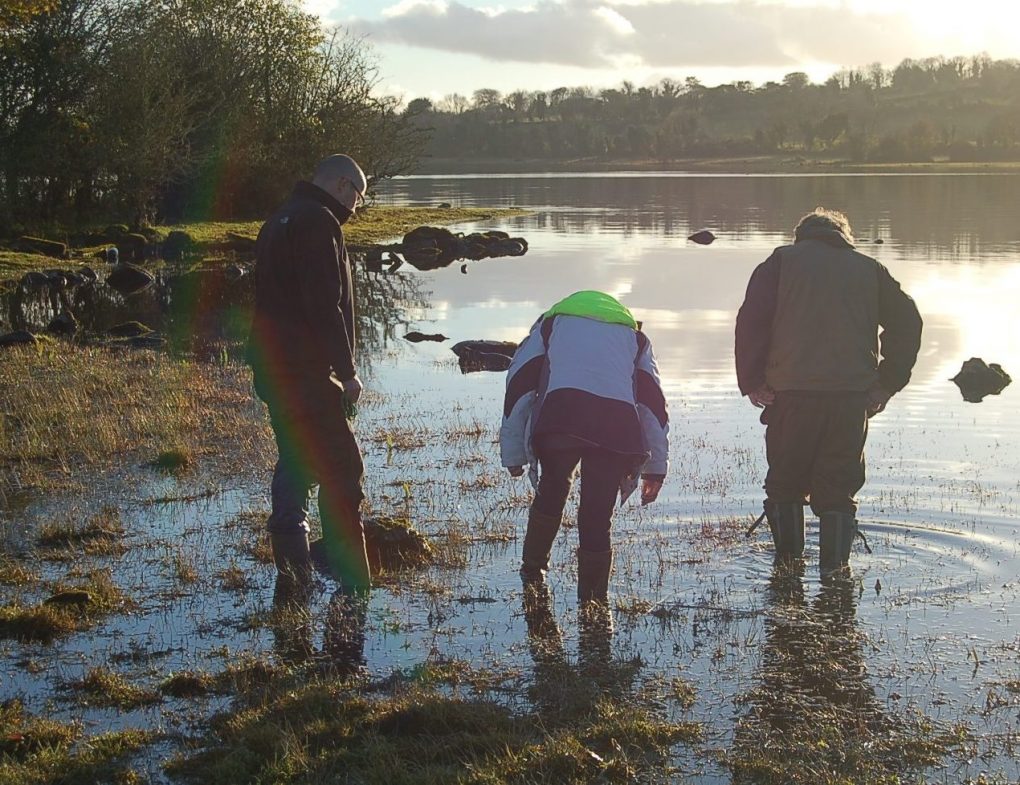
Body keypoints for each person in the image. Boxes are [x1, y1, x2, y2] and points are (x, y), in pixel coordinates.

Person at [735, 208, 922, 572]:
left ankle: (787, 569)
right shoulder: (870, 269)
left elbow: (750, 323)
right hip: (850, 400)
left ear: (800, 236)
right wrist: (887, 383)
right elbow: (908, 323)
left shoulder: (779, 263)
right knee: (838, 489)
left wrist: (753, 382)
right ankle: (836, 575)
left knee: (786, 484)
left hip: (790, 396)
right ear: (844, 237)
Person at [246, 154, 371, 595]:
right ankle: (351, 580)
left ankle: (293, 579)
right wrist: (347, 373)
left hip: (271, 366)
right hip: (305, 371)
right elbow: (324, 305)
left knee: (296, 460)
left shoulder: (277, 219)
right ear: (341, 185)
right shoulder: (320, 222)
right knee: (343, 469)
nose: (356, 206)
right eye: (358, 196)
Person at [500, 291, 670, 604]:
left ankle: (532, 572)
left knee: (551, 490)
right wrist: (656, 468)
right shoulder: (635, 339)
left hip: (560, 416)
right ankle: (594, 603)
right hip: (616, 427)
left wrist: (513, 452)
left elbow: (519, 384)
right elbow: (653, 404)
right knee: (597, 515)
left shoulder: (550, 326)